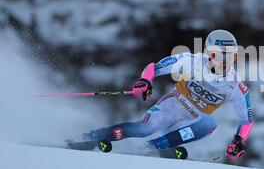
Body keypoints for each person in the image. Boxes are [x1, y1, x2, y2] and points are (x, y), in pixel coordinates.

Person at [83, 29, 254, 160]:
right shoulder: (193, 61)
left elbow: (247, 121)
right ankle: (94, 136)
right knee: (145, 129)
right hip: (170, 108)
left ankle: (152, 148)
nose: (226, 62)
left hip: (190, 122)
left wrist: (239, 141)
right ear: (210, 54)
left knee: (210, 123)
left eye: (231, 57)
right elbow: (155, 67)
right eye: (221, 56)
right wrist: (145, 81)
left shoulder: (236, 85)